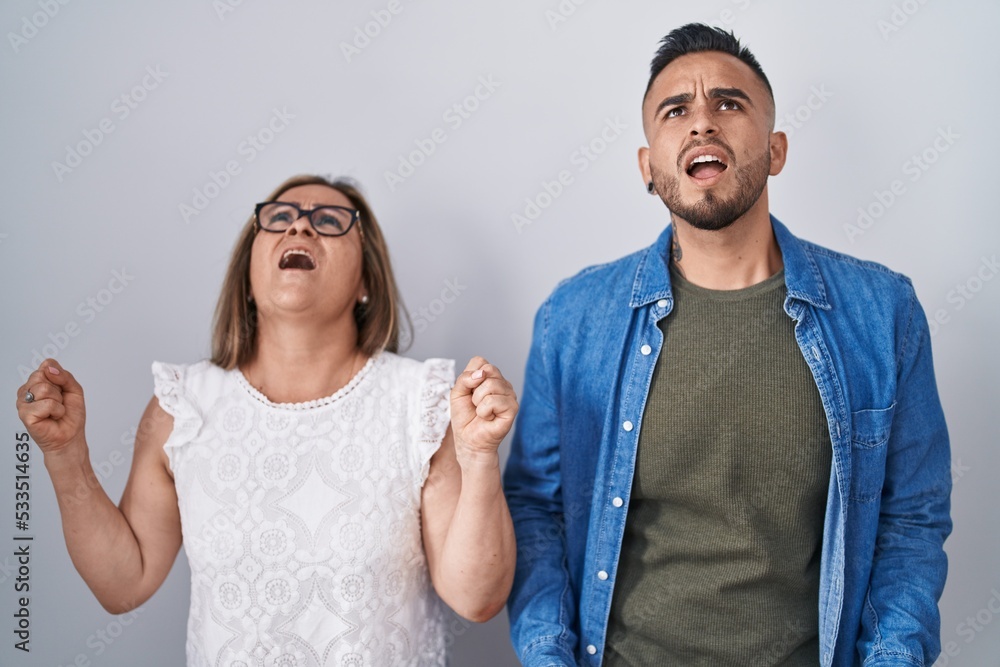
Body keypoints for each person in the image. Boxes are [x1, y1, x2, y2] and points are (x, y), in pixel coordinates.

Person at [504, 23, 951, 667]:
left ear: (775, 150)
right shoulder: (573, 320)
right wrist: (550, 656)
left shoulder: (882, 312)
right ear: (647, 165)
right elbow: (536, 511)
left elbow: (911, 519)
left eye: (728, 103)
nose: (701, 124)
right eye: (675, 109)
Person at [17, 174, 517, 666]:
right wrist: (66, 457)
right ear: (250, 275)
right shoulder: (182, 406)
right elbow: (123, 586)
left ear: (366, 280)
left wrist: (478, 458)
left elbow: (477, 599)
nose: (298, 228)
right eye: (278, 218)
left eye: (329, 220)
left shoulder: (422, 403)